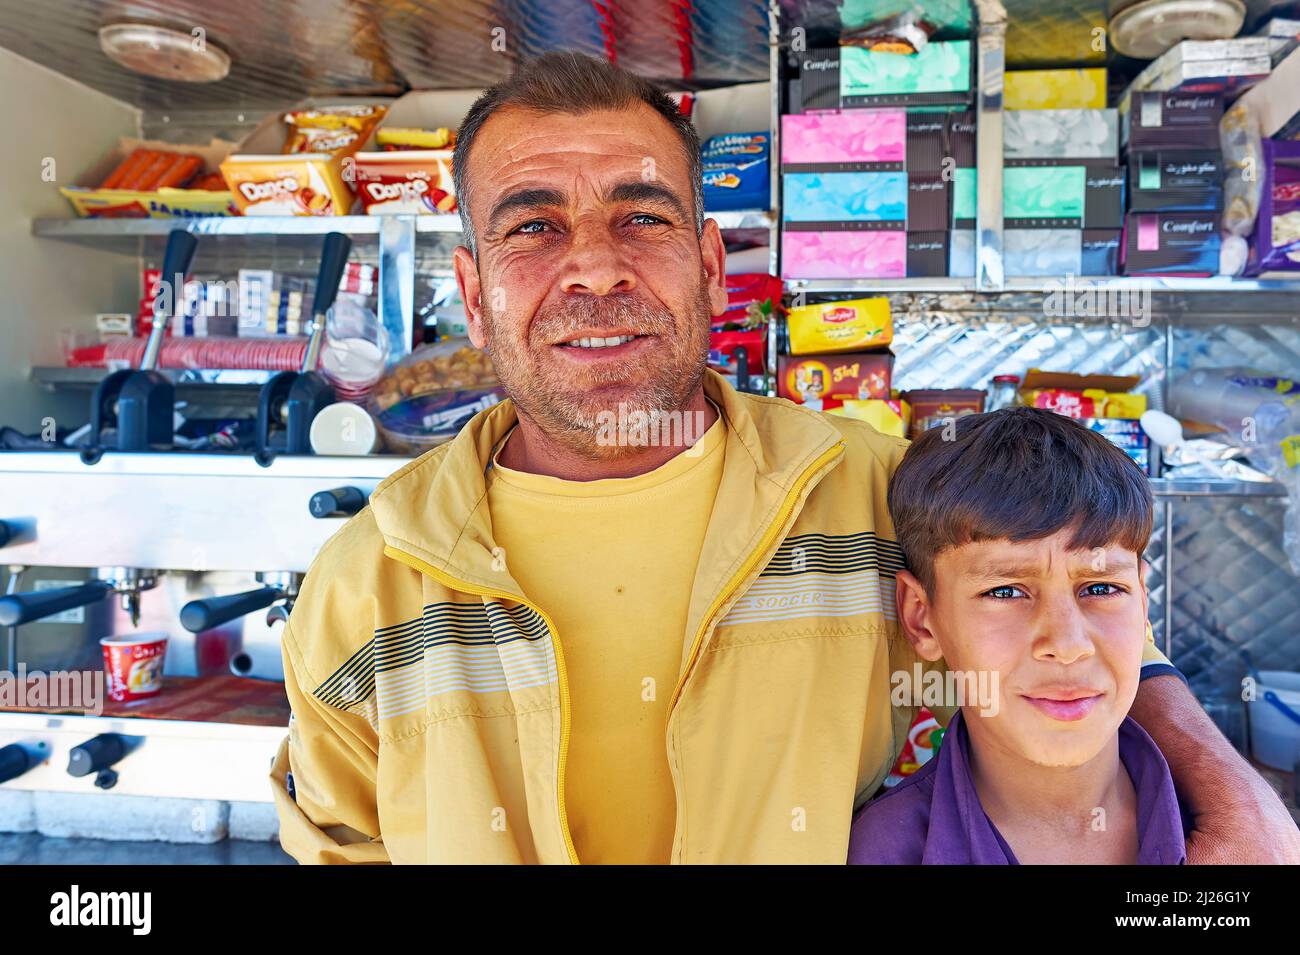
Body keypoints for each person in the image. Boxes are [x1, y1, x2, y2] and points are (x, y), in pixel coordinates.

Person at [268, 51, 1300, 864]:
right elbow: (342, 846)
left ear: (711, 265)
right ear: (474, 286)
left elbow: (1062, 596)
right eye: (532, 227)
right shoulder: (366, 584)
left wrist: (1229, 788)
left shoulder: (864, 487)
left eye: (642, 218)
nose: (593, 266)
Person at [849, 408, 1208, 864]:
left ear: (1141, 598)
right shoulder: (887, 850)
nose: (1067, 643)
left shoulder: (1239, 829)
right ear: (922, 619)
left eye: (1101, 588)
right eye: (1005, 591)